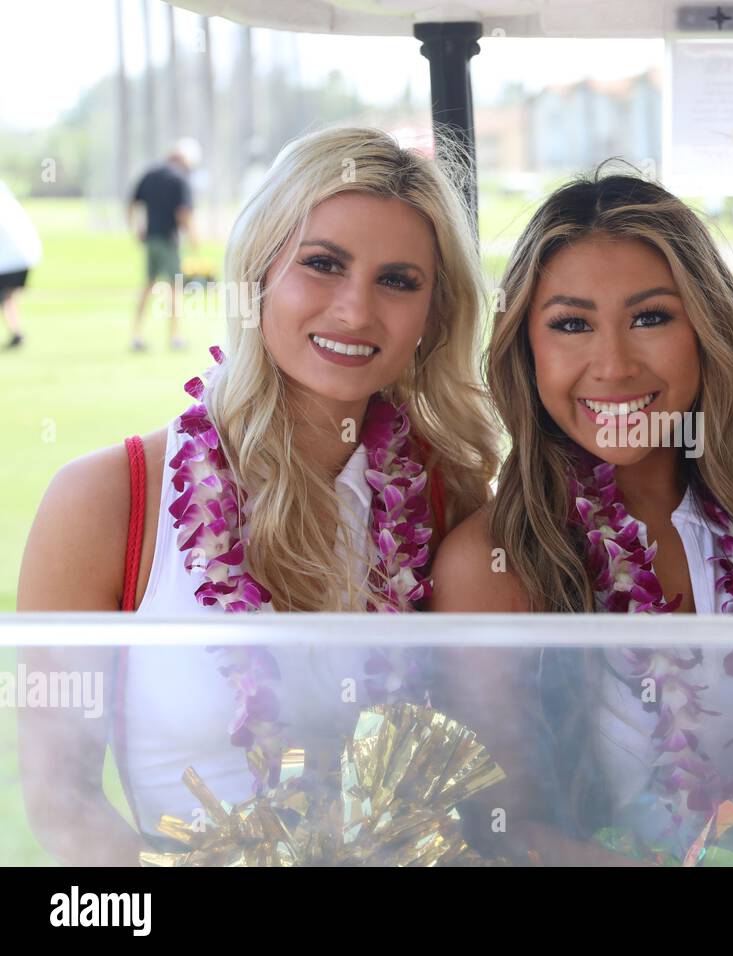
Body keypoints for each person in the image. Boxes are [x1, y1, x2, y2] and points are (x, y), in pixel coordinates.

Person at [16, 126, 502, 865]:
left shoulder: (451, 499)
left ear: (434, 316)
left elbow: (489, 785)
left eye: (398, 280)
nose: (355, 310)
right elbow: (62, 801)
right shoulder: (107, 499)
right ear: (258, 271)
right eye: (322, 264)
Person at [431, 171, 733, 860]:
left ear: (705, 328)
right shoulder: (491, 564)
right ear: (527, 350)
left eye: (650, 317)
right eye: (571, 324)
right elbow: (501, 832)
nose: (613, 364)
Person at [128, 138, 199, 351]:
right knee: (174, 287)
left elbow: (132, 203)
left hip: (151, 240)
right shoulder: (181, 180)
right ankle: (175, 337)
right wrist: (193, 237)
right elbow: (183, 214)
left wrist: (136, 229)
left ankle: (136, 335)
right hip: (169, 240)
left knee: (148, 285)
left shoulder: (150, 174)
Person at [0, 178, 41, 350]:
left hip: (10, 259)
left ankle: (17, 333)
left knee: (5, 295)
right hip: (28, 255)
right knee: (6, 296)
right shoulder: (7, 200)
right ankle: (17, 333)